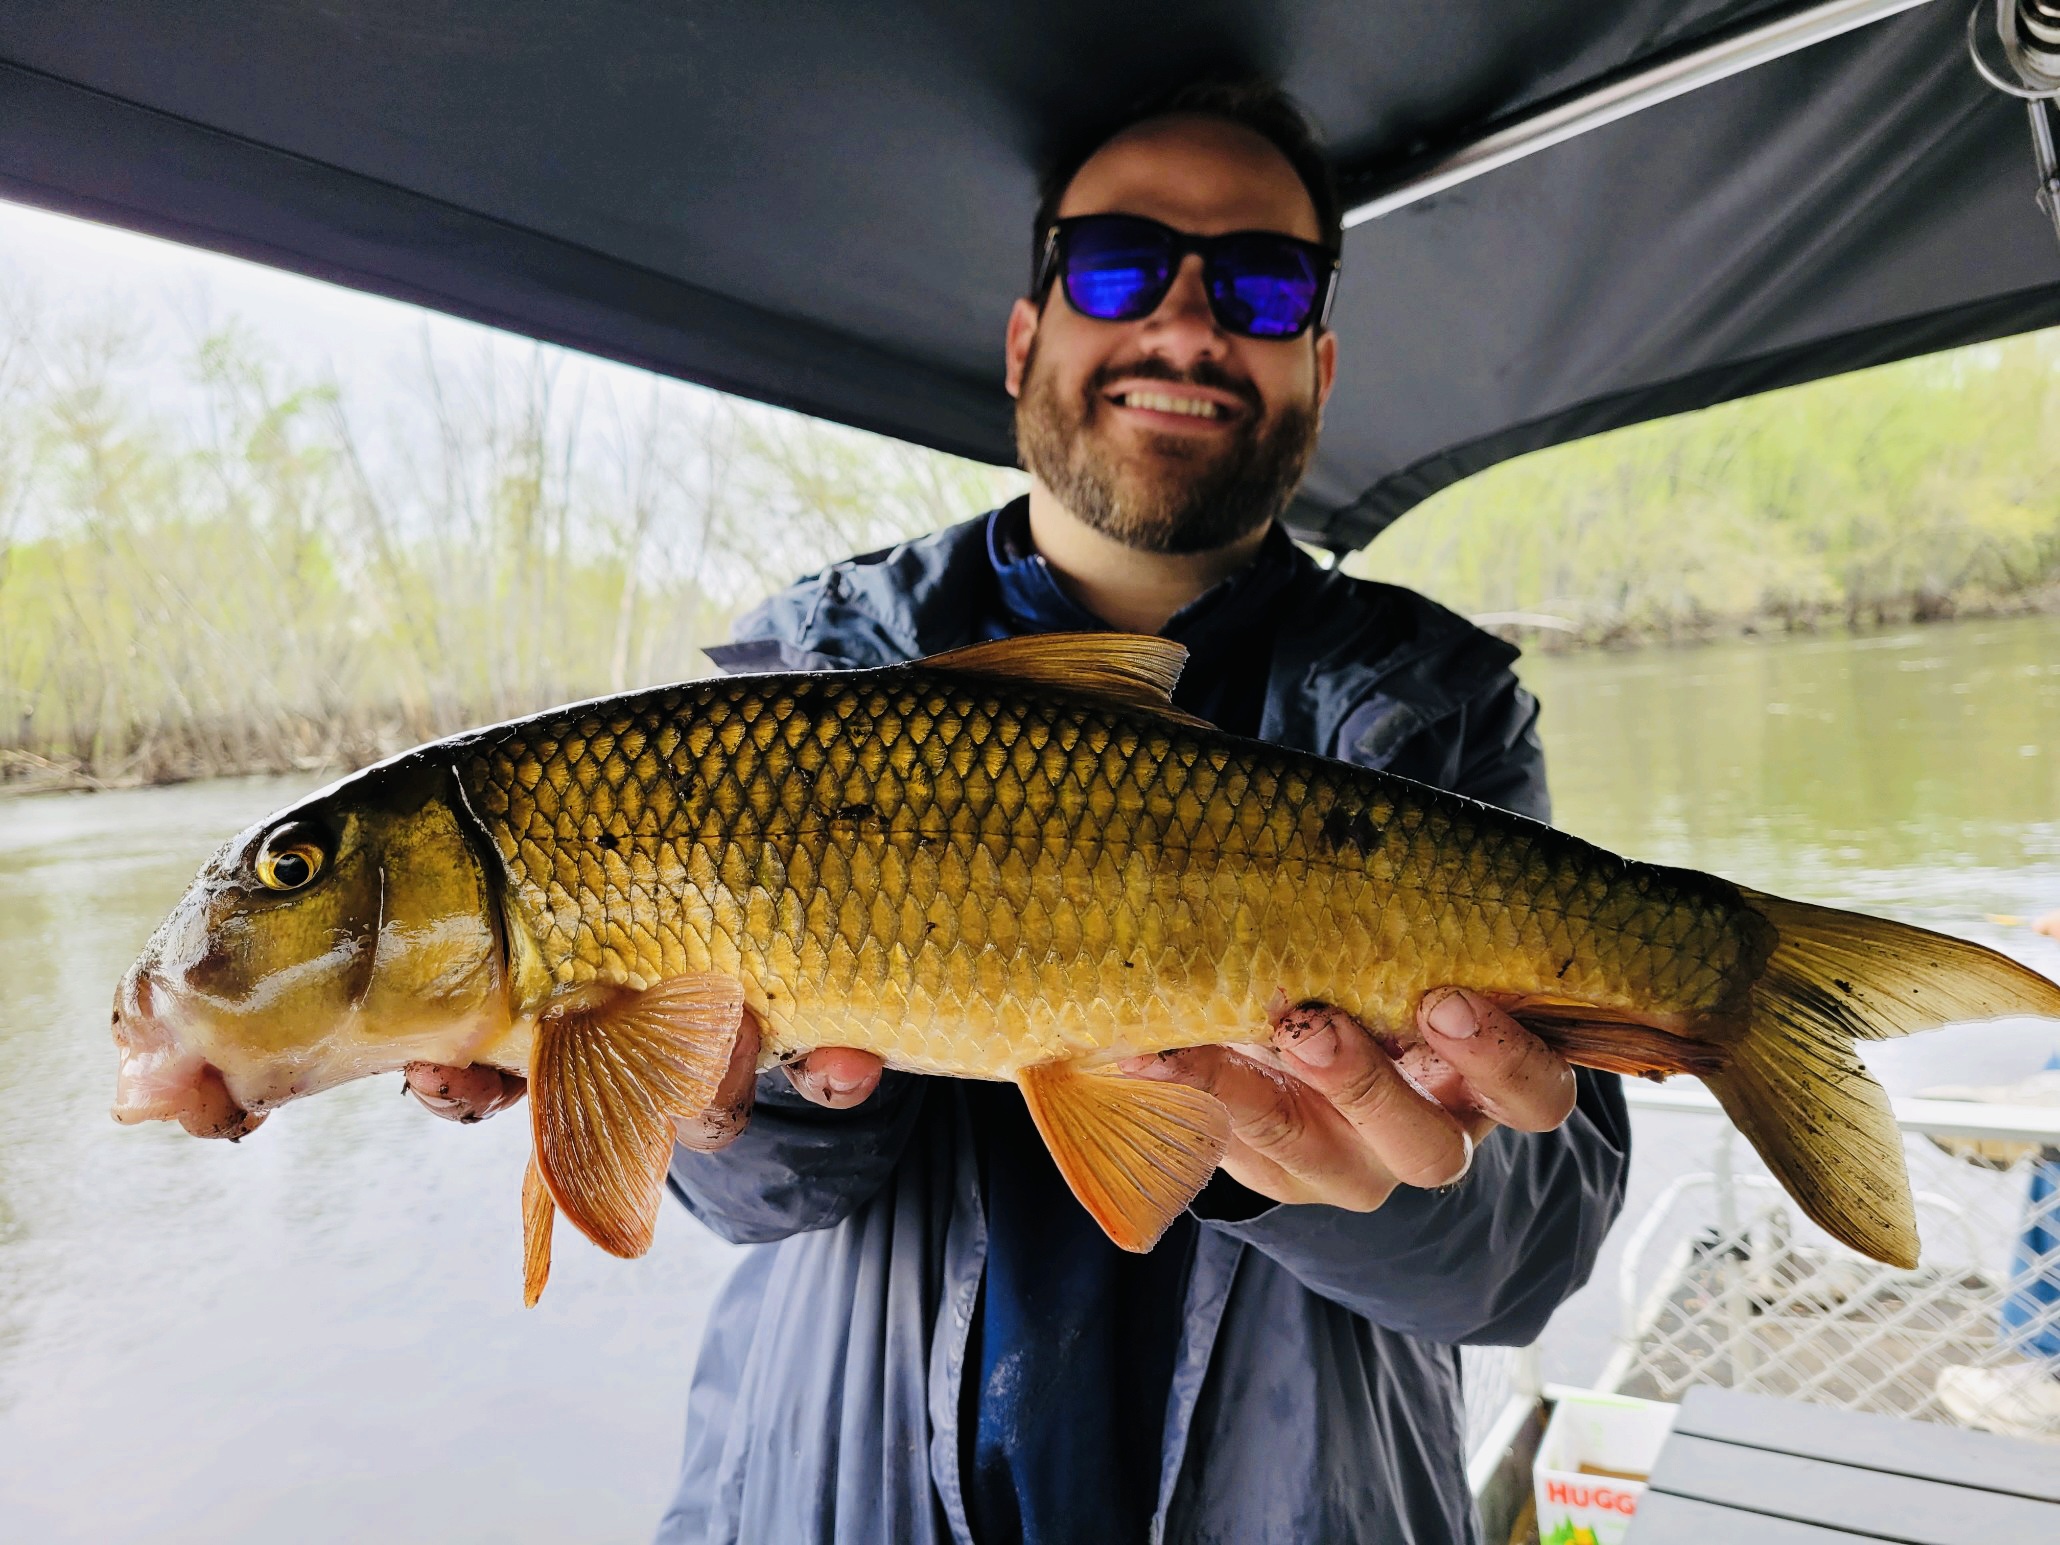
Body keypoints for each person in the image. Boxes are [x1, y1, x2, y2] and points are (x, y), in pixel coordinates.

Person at [407, 80, 1631, 1544]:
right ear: (1024, 337)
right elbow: (755, 1207)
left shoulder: (1442, 707)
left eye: (1256, 283)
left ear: (1319, 360)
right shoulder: (793, 678)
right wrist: (758, 1081)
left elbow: (1530, 1265)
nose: (1184, 326)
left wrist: (1341, 1175)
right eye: (1119, 265)